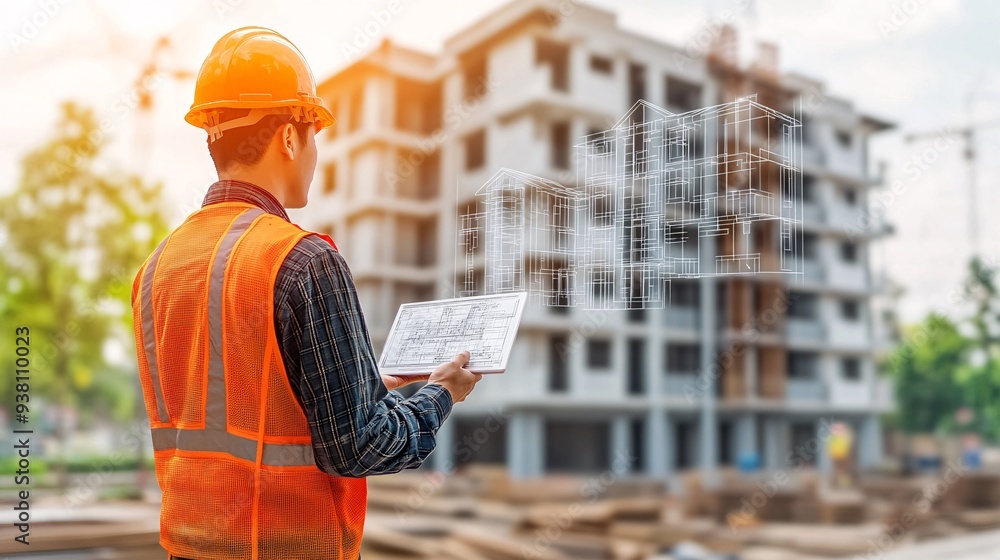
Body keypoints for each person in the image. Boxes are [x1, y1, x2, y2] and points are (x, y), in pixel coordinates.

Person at [130, 27, 482, 560]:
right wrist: (441, 393)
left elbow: (240, 400)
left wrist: (364, 386)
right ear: (290, 137)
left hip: (190, 547)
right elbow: (357, 446)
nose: (315, 152)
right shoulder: (303, 262)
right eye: (314, 133)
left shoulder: (157, 269)